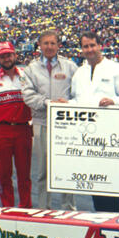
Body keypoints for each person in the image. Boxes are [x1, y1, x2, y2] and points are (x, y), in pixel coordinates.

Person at [69, 30, 119, 210]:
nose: (89, 49)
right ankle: (100, 219)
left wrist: (115, 101)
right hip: (87, 136)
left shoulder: (115, 70)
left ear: (100, 46)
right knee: (95, 182)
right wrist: (65, 104)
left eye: (92, 45)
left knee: (110, 183)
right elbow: (76, 99)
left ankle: (112, 220)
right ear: (81, 49)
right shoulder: (79, 73)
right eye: (85, 46)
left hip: (110, 136)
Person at [20, 29, 78, 209]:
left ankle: (68, 209)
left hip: (66, 124)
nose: (49, 46)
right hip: (42, 122)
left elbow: (78, 93)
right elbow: (27, 95)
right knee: (43, 170)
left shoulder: (70, 66)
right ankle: (44, 210)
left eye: (53, 43)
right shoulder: (31, 69)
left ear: (58, 45)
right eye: (46, 43)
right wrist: (48, 103)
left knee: (67, 168)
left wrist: (68, 103)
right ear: (40, 46)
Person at [0, 41, 33, 207]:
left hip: (23, 129)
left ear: (15, 55)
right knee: (4, 175)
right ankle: (7, 207)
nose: (7, 58)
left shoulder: (27, 76)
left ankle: (26, 207)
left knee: (24, 174)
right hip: (2, 131)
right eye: (3, 56)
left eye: (9, 54)